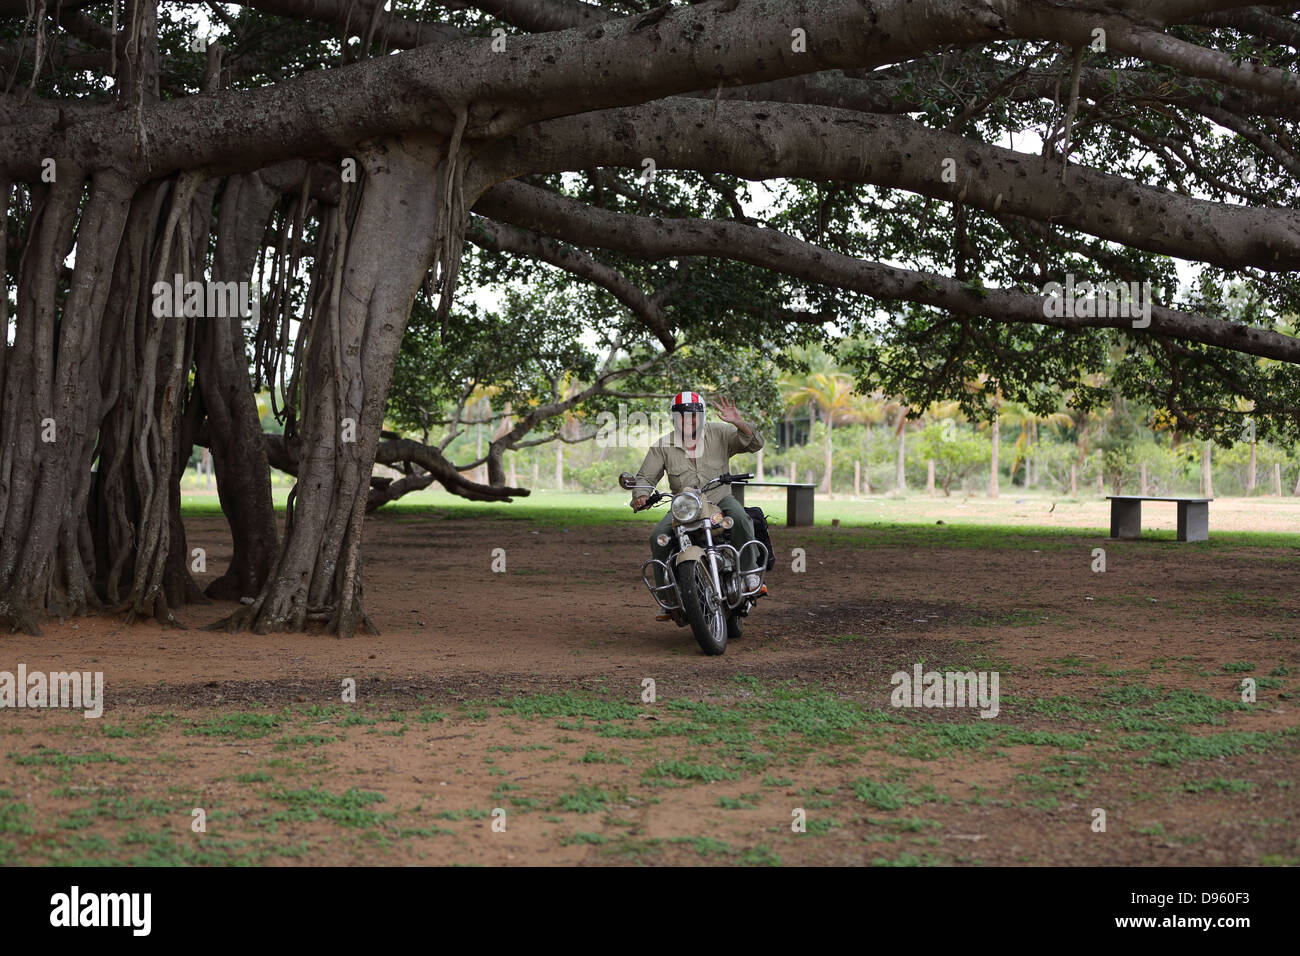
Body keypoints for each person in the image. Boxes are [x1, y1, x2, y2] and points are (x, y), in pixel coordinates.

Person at [630, 390, 765, 609]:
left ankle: (748, 572)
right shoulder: (662, 445)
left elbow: (753, 444)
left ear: (701, 416)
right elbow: (646, 477)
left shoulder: (720, 433)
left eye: (693, 414)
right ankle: (668, 594)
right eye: (681, 415)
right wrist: (641, 495)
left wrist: (739, 422)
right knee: (658, 537)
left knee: (740, 518)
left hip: (720, 499)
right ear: (674, 417)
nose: (688, 419)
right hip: (685, 506)